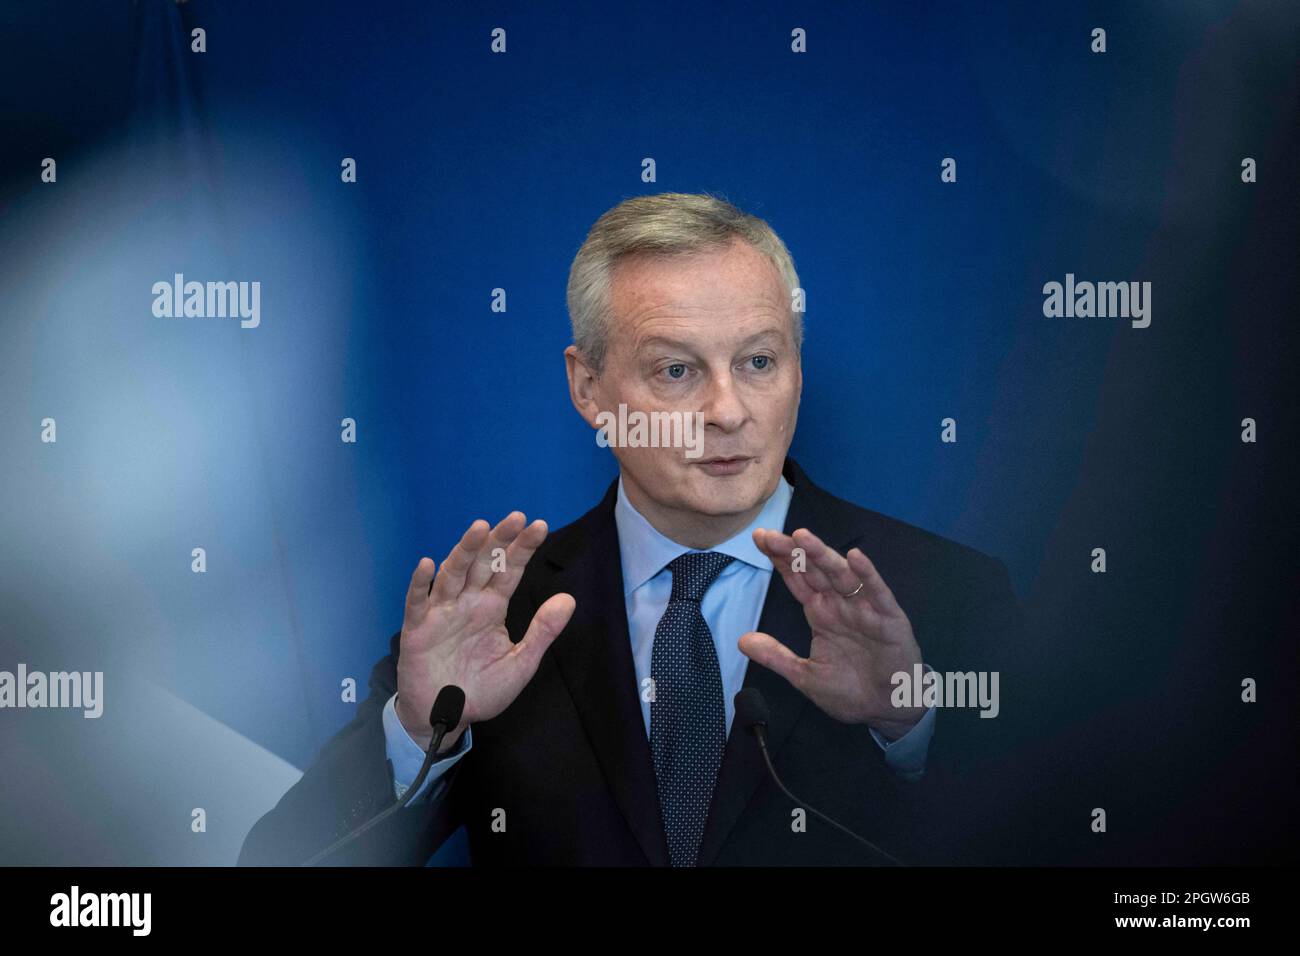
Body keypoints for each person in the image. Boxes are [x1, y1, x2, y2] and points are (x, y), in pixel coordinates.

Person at [238, 192, 1030, 867]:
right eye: (677, 371)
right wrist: (421, 730)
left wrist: (912, 727)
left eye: (759, 361)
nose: (728, 411)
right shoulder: (496, 616)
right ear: (589, 386)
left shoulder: (944, 596)